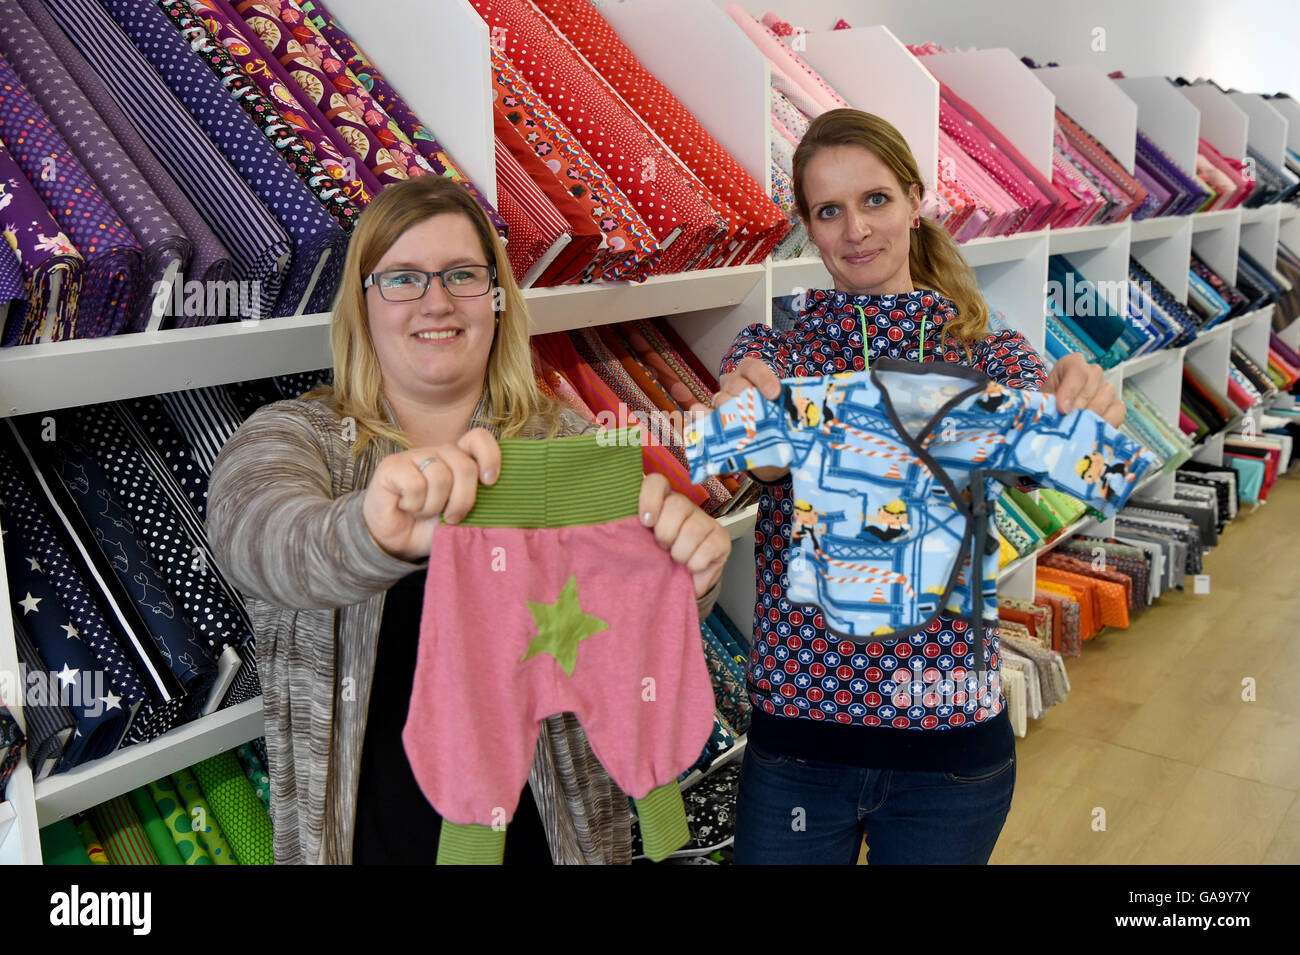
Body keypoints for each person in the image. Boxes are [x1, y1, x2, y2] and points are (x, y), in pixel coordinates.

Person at [206, 175, 731, 865]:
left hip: (556, 846)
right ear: (361, 304)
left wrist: (684, 587)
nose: (436, 300)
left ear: (496, 298)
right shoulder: (296, 440)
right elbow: (258, 536)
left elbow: (623, 658)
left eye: (462, 274)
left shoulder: (567, 445)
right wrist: (370, 532)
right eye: (401, 279)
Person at [706, 108, 1126, 865]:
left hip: (951, 756)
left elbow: (1065, 462)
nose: (856, 230)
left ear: (914, 201)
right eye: (829, 211)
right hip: (801, 749)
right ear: (807, 227)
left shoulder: (990, 354)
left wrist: (1089, 409)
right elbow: (758, 460)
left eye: (875, 200)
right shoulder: (773, 346)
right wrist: (743, 412)